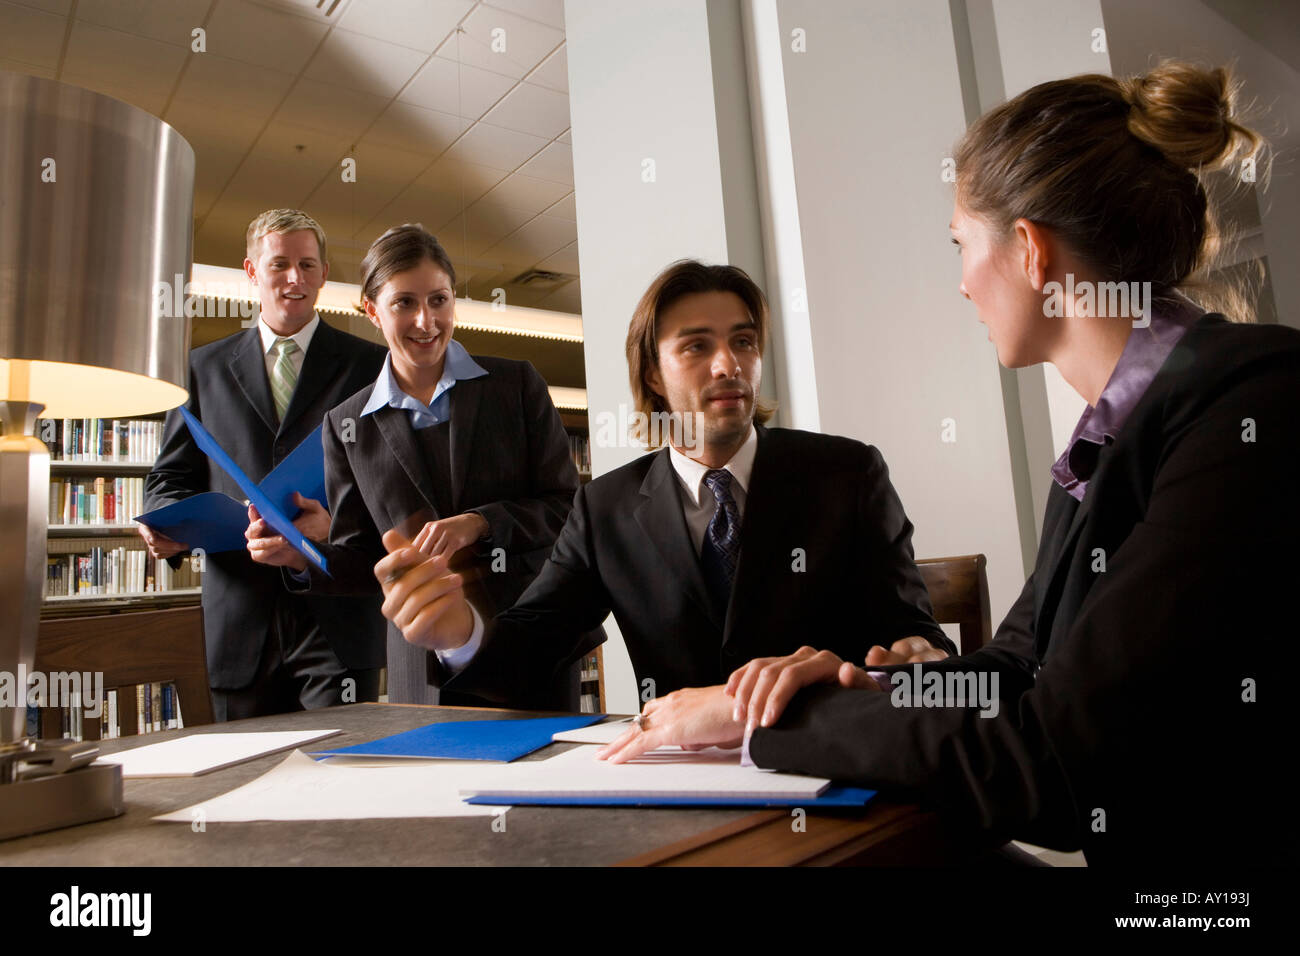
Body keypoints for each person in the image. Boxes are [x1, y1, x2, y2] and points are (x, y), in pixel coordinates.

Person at [595, 63, 1299, 867]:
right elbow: (1013, 671)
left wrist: (760, 719)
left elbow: (1061, 762)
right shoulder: (1111, 437)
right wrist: (861, 686)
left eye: (962, 245)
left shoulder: (1252, 405)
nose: (962, 283)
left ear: (1030, 252)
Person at [371, 259, 955, 711]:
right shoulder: (605, 508)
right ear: (653, 371)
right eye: (697, 346)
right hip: (686, 783)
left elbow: (912, 636)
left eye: (743, 342)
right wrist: (459, 634)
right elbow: (531, 647)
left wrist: (915, 662)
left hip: (838, 767)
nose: (729, 364)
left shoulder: (848, 475)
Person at [246, 223, 589, 707]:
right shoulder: (347, 425)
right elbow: (365, 557)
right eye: (404, 302)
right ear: (372, 311)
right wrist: (302, 555)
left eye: (439, 300)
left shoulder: (515, 386)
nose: (426, 321)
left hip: (529, 638)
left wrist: (480, 523)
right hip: (423, 663)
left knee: (544, 779)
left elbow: (568, 508)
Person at [142, 208, 388, 720]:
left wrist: (337, 525)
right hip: (238, 620)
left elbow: (392, 484)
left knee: (338, 779)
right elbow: (169, 476)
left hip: (336, 616)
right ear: (252, 272)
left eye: (308, 265)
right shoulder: (199, 368)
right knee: (243, 781)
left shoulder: (371, 367)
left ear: (323, 273)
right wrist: (167, 522)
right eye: (280, 264)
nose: (296, 278)